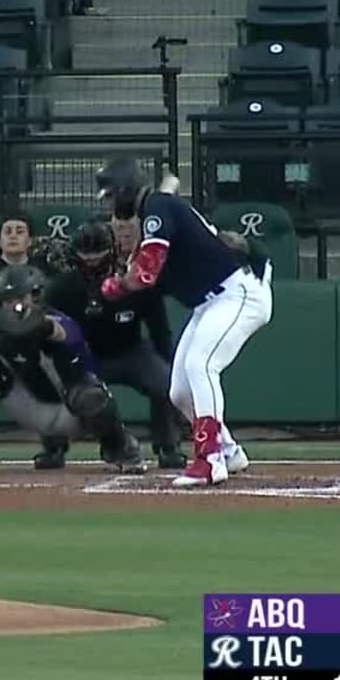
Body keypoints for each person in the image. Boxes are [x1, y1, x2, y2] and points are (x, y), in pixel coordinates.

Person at [95, 157, 273, 488]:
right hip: (210, 303)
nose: (110, 202)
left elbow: (146, 274)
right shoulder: (156, 211)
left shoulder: (159, 206)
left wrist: (118, 285)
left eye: (111, 193)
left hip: (238, 293)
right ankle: (230, 451)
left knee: (201, 366)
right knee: (179, 392)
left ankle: (210, 458)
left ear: (125, 188)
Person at [0, 264, 146, 474]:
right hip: (30, 405)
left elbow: (61, 332)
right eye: (6, 301)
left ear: (37, 296)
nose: (13, 306)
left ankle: (120, 447)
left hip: (71, 411)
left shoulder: (57, 320)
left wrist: (41, 327)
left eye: (19, 299)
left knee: (90, 395)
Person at [40, 220, 186, 470]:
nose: (93, 260)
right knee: (51, 383)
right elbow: (47, 338)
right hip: (83, 356)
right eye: (86, 254)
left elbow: (160, 330)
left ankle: (168, 446)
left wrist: (171, 366)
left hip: (130, 351)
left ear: (113, 251)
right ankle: (54, 448)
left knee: (164, 384)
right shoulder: (61, 288)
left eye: (99, 253)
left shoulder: (136, 283)